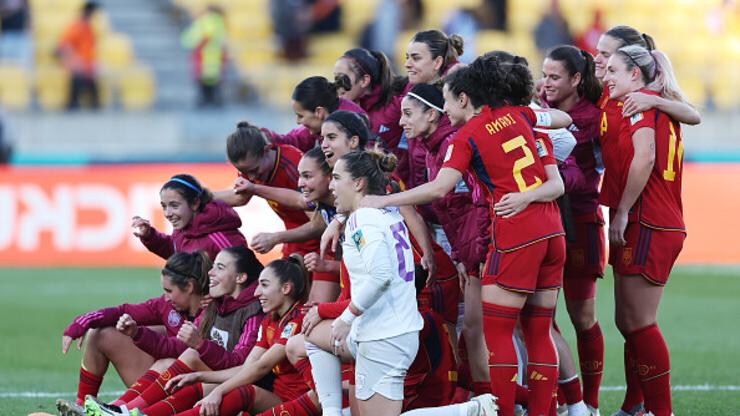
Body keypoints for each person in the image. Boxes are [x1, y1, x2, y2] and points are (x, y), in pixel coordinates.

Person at [360, 55, 574, 416]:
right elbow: (563, 119)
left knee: (499, 333)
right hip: (553, 231)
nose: (444, 109)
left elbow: (438, 189)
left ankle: (505, 412)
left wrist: (383, 199)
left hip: (516, 232)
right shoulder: (521, 115)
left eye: (445, 101)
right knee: (539, 332)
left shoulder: (467, 136)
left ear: (463, 99)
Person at [592, 25, 700, 416]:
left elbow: (646, 157)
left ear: (632, 66)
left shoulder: (640, 103)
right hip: (644, 218)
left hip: (650, 219)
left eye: (607, 56)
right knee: (628, 320)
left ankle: (659, 410)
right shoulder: (636, 96)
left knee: (638, 321)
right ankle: (636, 404)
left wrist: (620, 211)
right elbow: (690, 113)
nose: (599, 62)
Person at [83, 246, 265, 416]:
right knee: (167, 362)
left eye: (220, 267)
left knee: (192, 357)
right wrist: (136, 333)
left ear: (240, 277)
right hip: (216, 378)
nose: (211, 272)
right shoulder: (217, 304)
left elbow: (241, 365)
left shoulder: (253, 313)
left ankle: (125, 411)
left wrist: (200, 345)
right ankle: (116, 408)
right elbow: (177, 348)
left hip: (238, 385)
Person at [399, 82, 491, 398]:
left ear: (433, 113)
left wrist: (473, 254)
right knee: (485, 331)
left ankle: (495, 402)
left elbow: (471, 205)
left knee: (487, 331)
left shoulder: (454, 143)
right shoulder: (433, 149)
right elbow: (453, 214)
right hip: (473, 250)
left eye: (409, 113)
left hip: (488, 247)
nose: (402, 122)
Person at [148, 255, 317, 416]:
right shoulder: (269, 321)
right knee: (209, 386)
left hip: (298, 402)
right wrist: (199, 376)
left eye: (264, 285)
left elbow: (261, 367)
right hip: (275, 396)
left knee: (242, 393)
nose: (257, 292)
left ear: (286, 288)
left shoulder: (299, 318)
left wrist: (219, 390)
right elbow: (248, 367)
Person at [55, 251, 210, 416]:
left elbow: (178, 350)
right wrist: (83, 321)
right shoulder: (166, 305)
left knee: (168, 362)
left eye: (169, 290)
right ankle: (85, 406)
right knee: (99, 333)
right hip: (166, 384)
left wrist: (137, 333)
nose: (166, 296)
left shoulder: (212, 310)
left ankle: (112, 411)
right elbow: (123, 311)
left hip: (203, 391)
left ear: (190, 287)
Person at [541, 44, 604, 415]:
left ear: (577, 79)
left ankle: (590, 404)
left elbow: (586, 177)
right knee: (542, 317)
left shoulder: (591, 118)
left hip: (579, 221)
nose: (546, 83)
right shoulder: (542, 110)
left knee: (582, 318)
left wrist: (551, 175)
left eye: (554, 77)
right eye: (544, 75)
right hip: (546, 222)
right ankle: (566, 399)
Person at [226, 147, 342, 303]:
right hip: (333, 263)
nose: (300, 183)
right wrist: (254, 188)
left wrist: (327, 266)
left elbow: (369, 269)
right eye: (300, 176)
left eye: (307, 176)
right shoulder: (323, 202)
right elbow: (297, 200)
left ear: (330, 177)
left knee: (316, 310)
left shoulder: (350, 210)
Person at [214, 122, 320, 262]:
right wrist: (200, 196)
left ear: (266, 150)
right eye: (244, 172)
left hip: (319, 244)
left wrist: (275, 238)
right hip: (294, 243)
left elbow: (318, 225)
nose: (251, 177)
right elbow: (240, 198)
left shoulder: (294, 166)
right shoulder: (251, 165)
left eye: (254, 170)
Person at [133, 174, 247, 262]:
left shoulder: (221, 238)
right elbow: (174, 250)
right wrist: (149, 236)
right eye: (164, 206)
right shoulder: (184, 227)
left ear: (195, 203)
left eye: (174, 205)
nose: (167, 213)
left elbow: (244, 279)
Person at [259, 76, 366, 152]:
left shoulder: (354, 126)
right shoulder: (325, 118)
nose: (297, 122)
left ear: (319, 112)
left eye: (300, 116)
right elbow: (297, 140)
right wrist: (268, 136)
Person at [180, 4, 227, 107]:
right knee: (214, 80)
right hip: (215, 54)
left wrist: (196, 45)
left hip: (204, 54)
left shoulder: (206, 20)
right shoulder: (220, 21)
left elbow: (198, 37)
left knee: (203, 80)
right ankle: (214, 101)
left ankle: (205, 101)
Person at [56, 1, 99, 110]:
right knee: (77, 76)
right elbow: (64, 45)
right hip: (77, 62)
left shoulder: (88, 26)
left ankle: (94, 105)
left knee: (92, 79)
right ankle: (72, 104)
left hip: (87, 62)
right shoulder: (77, 26)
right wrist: (76, 60)